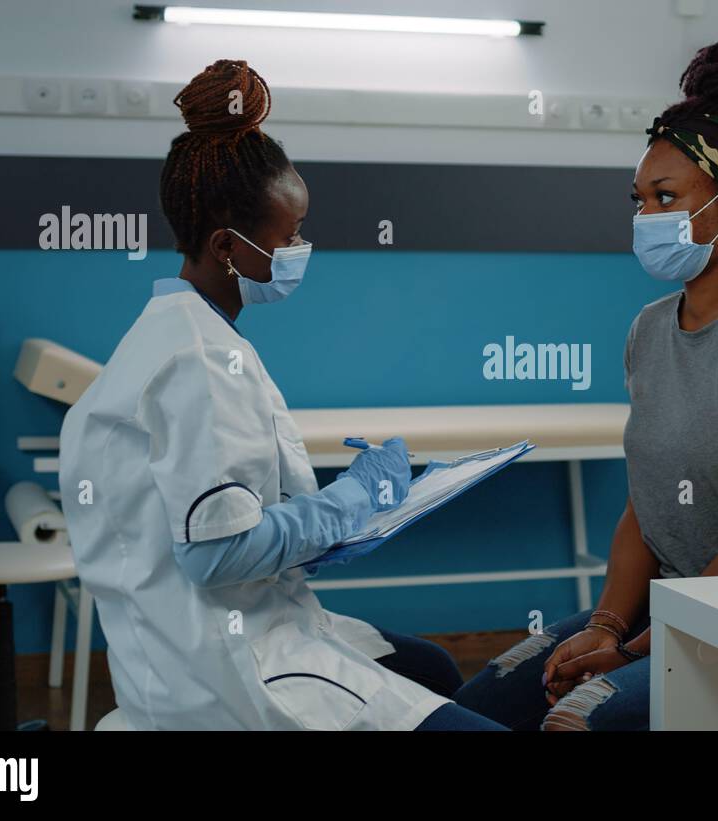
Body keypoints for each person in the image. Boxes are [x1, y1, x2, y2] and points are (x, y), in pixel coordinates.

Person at [58, 59, 503, 731]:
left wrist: (338, 523)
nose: (299, 247)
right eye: (287, 235)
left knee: (434, 667)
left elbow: (219, 517)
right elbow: (216, 553)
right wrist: (352, 500)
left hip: (216, 637)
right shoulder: (197, 360)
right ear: (224, 247)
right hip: (229, 672)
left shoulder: (184, 336)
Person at [453, 37, 718, 731]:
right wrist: (606, 625)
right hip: (667, 602)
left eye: (667, 197)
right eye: (640, 200)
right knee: (489, 695)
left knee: (577, 721)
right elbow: (647, 508)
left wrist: (634, 650)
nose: (647, 218)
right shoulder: (648, 328)